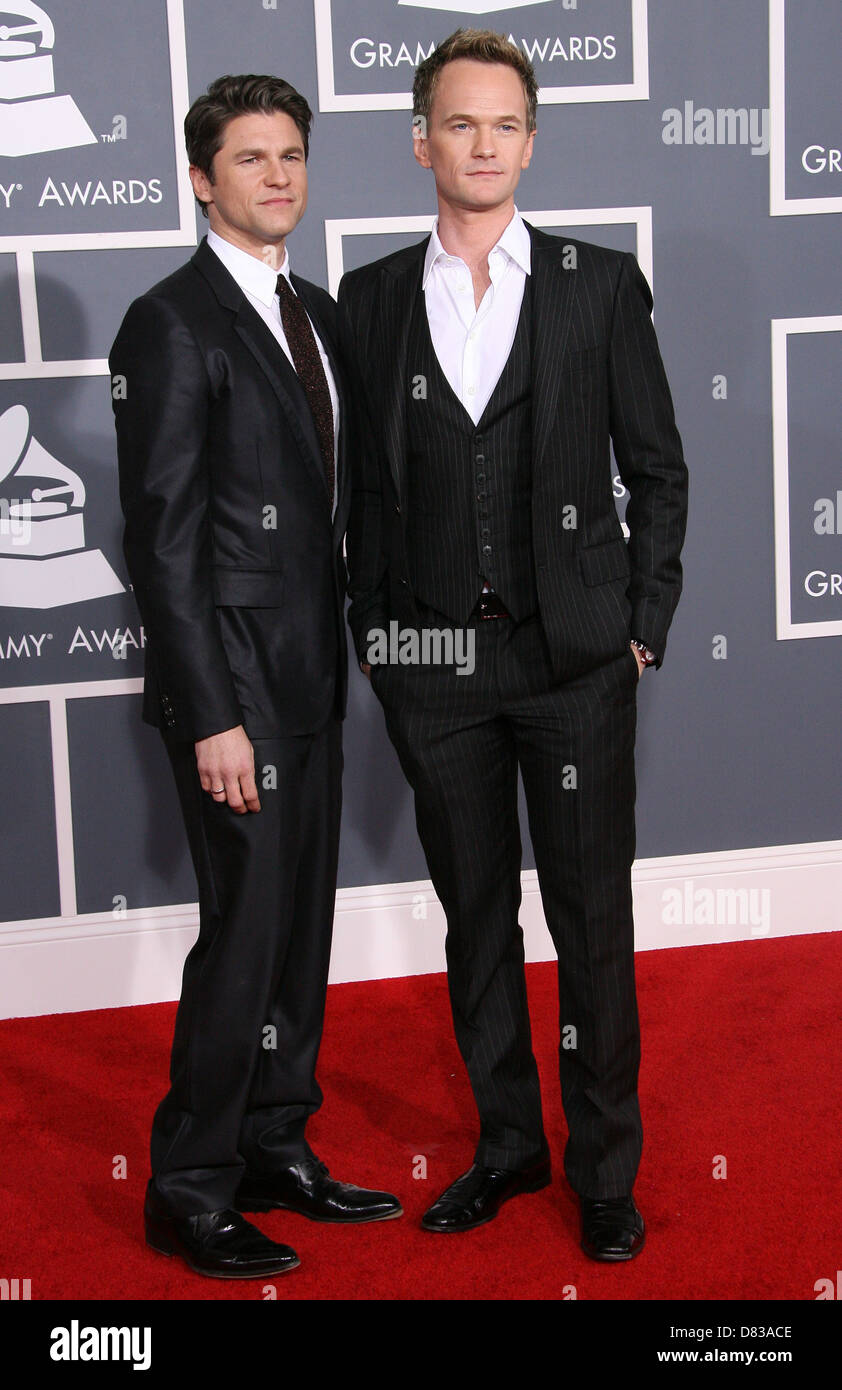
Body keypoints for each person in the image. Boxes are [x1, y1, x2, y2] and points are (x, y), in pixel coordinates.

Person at [338, 30, 688, 1261]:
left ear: (528, 143)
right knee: (473, 918)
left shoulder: (599, 285)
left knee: (590, 923)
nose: (480, 146)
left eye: (502, 126)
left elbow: (655, 464)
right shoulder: (370, 299)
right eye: (457, 123)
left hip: (575, 661)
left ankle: (600, 1167)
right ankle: (505, 1145)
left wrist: (640, 622)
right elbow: (362, 492)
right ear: (419, 138)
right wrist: (378, 638)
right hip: (432, 673)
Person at [110, 73, 401, 1281]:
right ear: (200, 177)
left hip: (311, 678)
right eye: (249, 158)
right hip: (232, 693)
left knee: (297, 930)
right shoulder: (169, 323)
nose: (277, 176)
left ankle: (278, 1142)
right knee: (242, 936)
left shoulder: (317, 314)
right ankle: (187, 1184)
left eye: (291, 155)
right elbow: (162, 537)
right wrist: (211, 716)